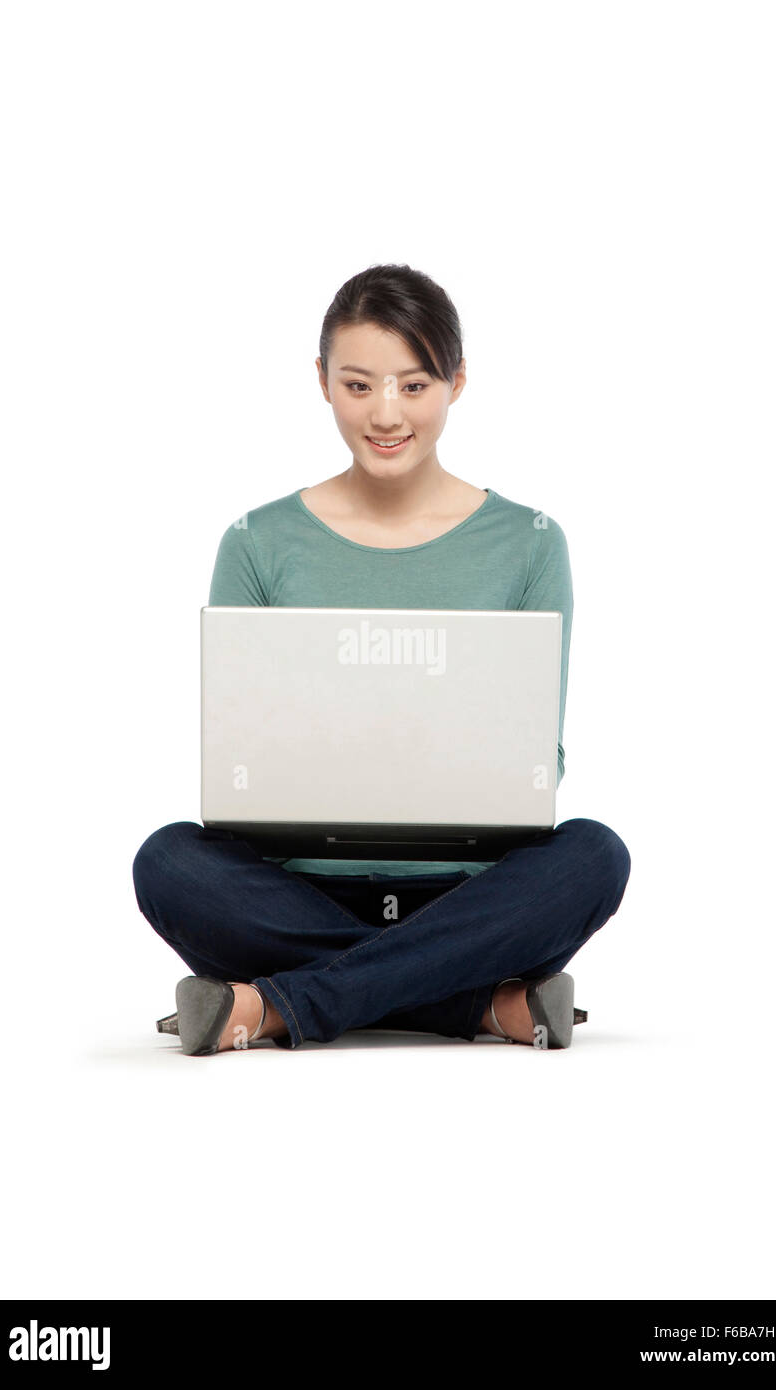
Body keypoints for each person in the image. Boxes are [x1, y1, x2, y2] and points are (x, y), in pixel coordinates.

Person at [132, 262, 631, 1055]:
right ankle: (474, 1004)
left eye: (414, 384)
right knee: (167, 862)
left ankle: (271, 1007)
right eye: (359, 386)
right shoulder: (257, 544)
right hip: (296, 893)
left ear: (457, 382)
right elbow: (239, 762)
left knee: (594, 856)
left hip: (467, 898)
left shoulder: (530, 544)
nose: (386, 414)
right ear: (323, 381)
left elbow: (540, 759)